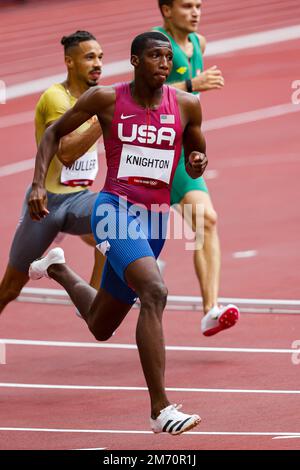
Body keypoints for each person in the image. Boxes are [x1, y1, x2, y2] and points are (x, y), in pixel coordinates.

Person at [28, 31, 207, 434]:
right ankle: (161, 410)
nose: (165, 63)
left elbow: (197, 158)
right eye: (155, 57)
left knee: (100, 325)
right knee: (154, 292)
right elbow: (54, 133)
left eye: (167, 57)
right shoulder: (106, 99)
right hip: (114, 208)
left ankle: (57, 269)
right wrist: (39, 183)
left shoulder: (188, 105)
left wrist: (196, 161)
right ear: (134, 61)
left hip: (157, 216)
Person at [0, 30, 105, 315]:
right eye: (89, 57)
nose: (97, 63)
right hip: (47, 205)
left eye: (100, 57)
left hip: (79, 200)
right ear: (69, 62)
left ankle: (91, 304)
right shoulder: (56, 98)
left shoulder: (100, 98)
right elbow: (67, 153)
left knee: (115, 221)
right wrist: (103, 119)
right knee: (10, 288)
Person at [154, 0, 240, 336]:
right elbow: (144, 94)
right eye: (186, 6)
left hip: (183, 154)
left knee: (206, 219)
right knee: (118, 234)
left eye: (198, 5)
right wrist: (193, 85)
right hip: (150, 154)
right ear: (165, 9)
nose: (195, 12)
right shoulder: (156, 44)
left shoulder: (198, 44)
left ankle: (210, 310)